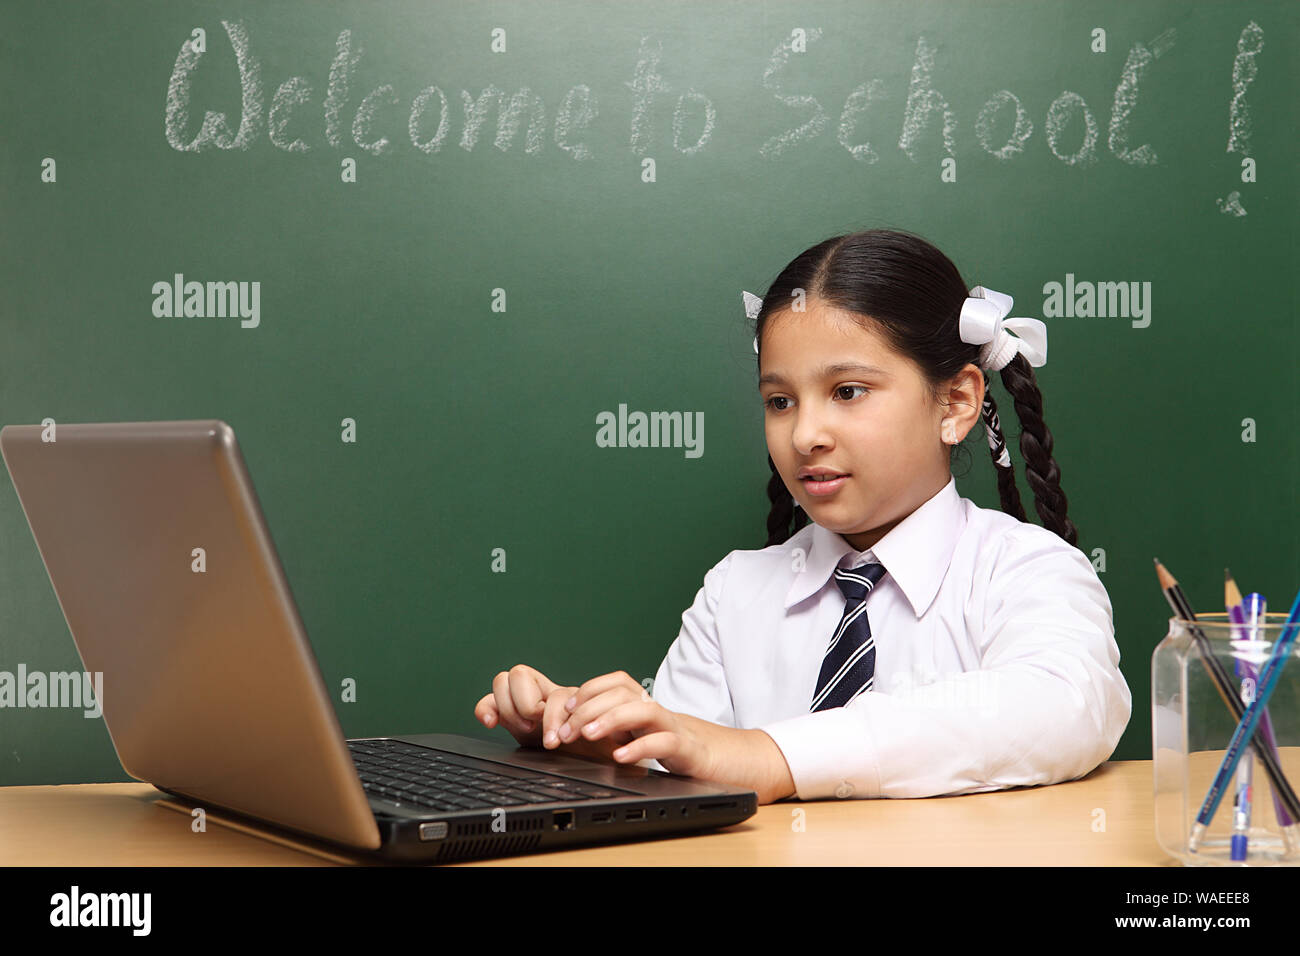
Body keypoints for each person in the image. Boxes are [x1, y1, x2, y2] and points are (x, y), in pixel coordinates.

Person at [473, 227, 1132, 804]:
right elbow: (683, 760)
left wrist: (771, 755)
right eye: (780, 401)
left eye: (848, 391)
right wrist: (590, 737)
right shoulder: (736, 592)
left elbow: (1065, 708)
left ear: (956, 402)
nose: (805, 433)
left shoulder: (1025, 570)